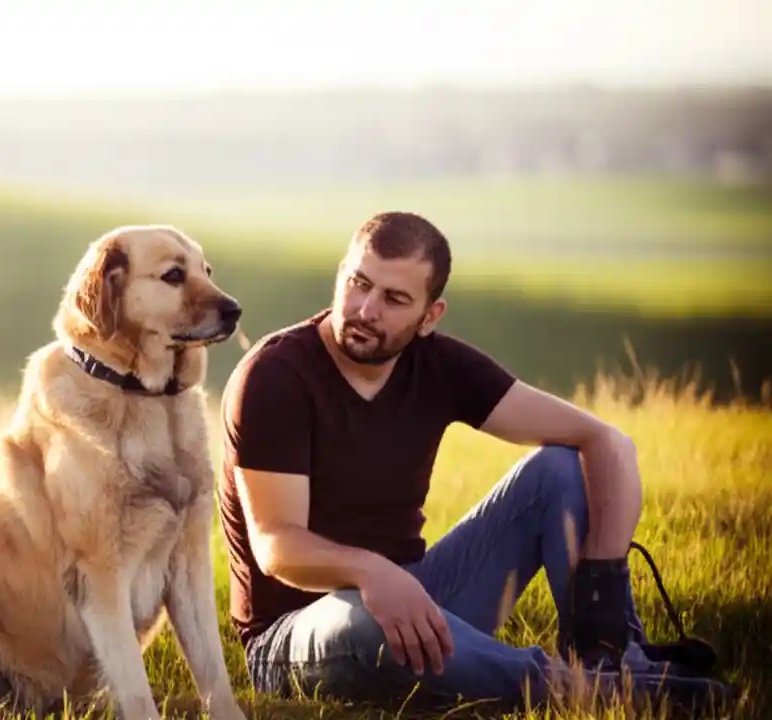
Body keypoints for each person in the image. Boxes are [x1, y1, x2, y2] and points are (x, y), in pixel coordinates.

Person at [218, 211, 726, 709]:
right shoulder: (274, 376)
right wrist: (372, 574)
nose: (366, 309)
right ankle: (593, 690)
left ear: (429, 315)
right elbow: (276, 546)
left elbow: (605, 442)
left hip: (415, 598)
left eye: (394, 298)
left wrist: (603, 603)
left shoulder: (439, 365)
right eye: (358, 283)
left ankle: (609, 659)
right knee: (367, 620)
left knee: (560, 468)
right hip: (296, 639)